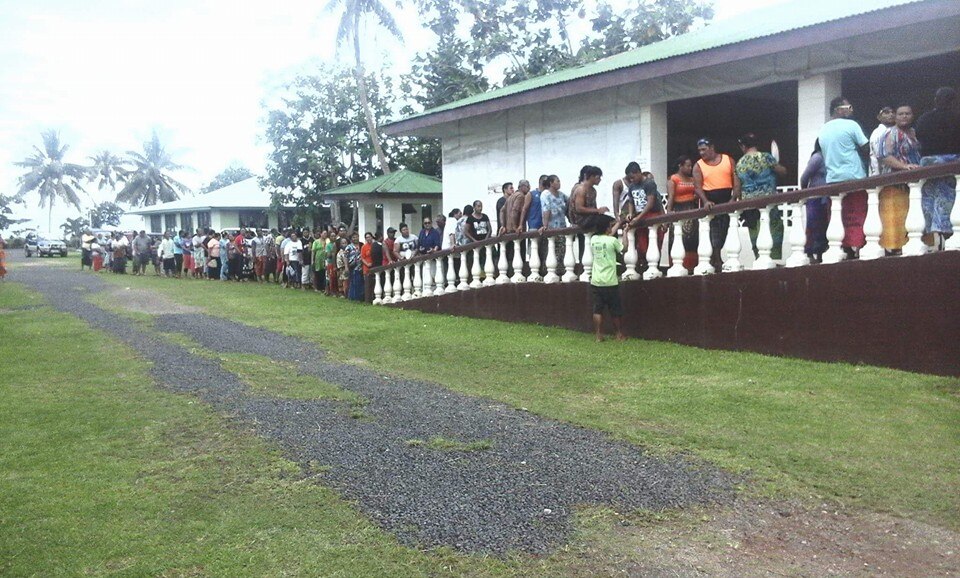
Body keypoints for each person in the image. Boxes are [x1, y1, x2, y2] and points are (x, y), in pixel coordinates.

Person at [818, 96, 869, 259]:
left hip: (833, 178)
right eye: (848, 107)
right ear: (838, 109)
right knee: (858, 212)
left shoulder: (823, 129)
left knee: (839, 214)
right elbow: (866, 147)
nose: (851, 110)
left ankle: (844, 245)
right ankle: (857, 245)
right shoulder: (851, 125)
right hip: (853, 176)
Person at [915, 86, 960, 251]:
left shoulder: (924, 119)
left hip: (928, 164)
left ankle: (935, 238)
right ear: (954, 101)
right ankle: (945, 236)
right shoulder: (956, 117)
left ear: (935, 100)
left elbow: (919, 139)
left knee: (930, 200)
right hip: (951, 163)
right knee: (949, 200)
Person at [876, 105, 921, 254]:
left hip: (914, 183)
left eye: (908, 113)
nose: (904, 116)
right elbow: (884, 156)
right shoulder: (890, 133)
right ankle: (894, 249)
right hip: (895, 183)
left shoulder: (913, 133)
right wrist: (903, 167)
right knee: (895, 219)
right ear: (896, 117)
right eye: (901, 114)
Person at [735, 132, 787, 260]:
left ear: (743, 146)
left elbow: (737, 189)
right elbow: (782, 172)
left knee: (755, 231)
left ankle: (759, 258)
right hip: (768, 201)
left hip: (749, 204)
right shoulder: (766, 157)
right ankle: (773, 258)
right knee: (774, 228)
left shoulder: (739, 163)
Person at [693, 138, 740, 270]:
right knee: (714, 232)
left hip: (726, 200)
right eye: (699, 150)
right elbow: (697, 187)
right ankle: (717, 259)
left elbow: (736, 180)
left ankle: (716, 258)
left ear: (712, 147)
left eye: (704, 149)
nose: (701, 153)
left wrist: (734, 198)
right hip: (711, 202)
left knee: (724, 230)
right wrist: (705, 201)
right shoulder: (698, 165)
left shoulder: (727, 160)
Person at [622, 165, 666, 270]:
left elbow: (651, 203)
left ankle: (654, 267)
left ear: (639, 172)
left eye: (633, 177)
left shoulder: (649, 184)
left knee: (655, 241)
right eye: (630, 178)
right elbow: (631, 202)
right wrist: (631, 214)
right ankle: (644, 266)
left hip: (651, 214)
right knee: (642, 245)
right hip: (639, 216)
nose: (632, 180)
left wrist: (639, 217)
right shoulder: (632, 186)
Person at [589, 215, 624, 342]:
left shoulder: (593, 239)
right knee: (615, 310)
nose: (611, 227)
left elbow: (608, 235)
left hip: (596, 281)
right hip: (610, 281)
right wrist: (624, 232)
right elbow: (623, 247)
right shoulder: (612, 241)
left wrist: (617, 223)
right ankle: (619, 334)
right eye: (610, 225)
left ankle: (598, 335)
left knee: (597, 309)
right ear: (606, 228)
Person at [667, 156, 699, 271]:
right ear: (680, 166)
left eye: (691, 166)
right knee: (679, 238)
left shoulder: (692, 180)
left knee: (692, 240)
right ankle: (678, 266)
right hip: (679, 211)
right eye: (688, 166)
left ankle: (691, 266)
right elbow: (671, 198)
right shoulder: (673, 179)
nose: (690, 168)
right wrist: (668, 215)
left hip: (692, 212)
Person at [800, 140, 829, 262]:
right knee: (813, 225)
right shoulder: (817, 157)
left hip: (826, 196)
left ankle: (821, 253)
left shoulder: (829, 156)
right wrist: (806, 193)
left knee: (824, 225)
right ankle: (811, 253)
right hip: (815, 197)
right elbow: (804, 177)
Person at [869, 106, 896, 176]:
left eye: (893, 112)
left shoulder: (896, 131)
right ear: (879, 117)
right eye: (886, 112)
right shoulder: (878, 133)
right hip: (881, 175)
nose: (891, 114)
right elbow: (882, 157)